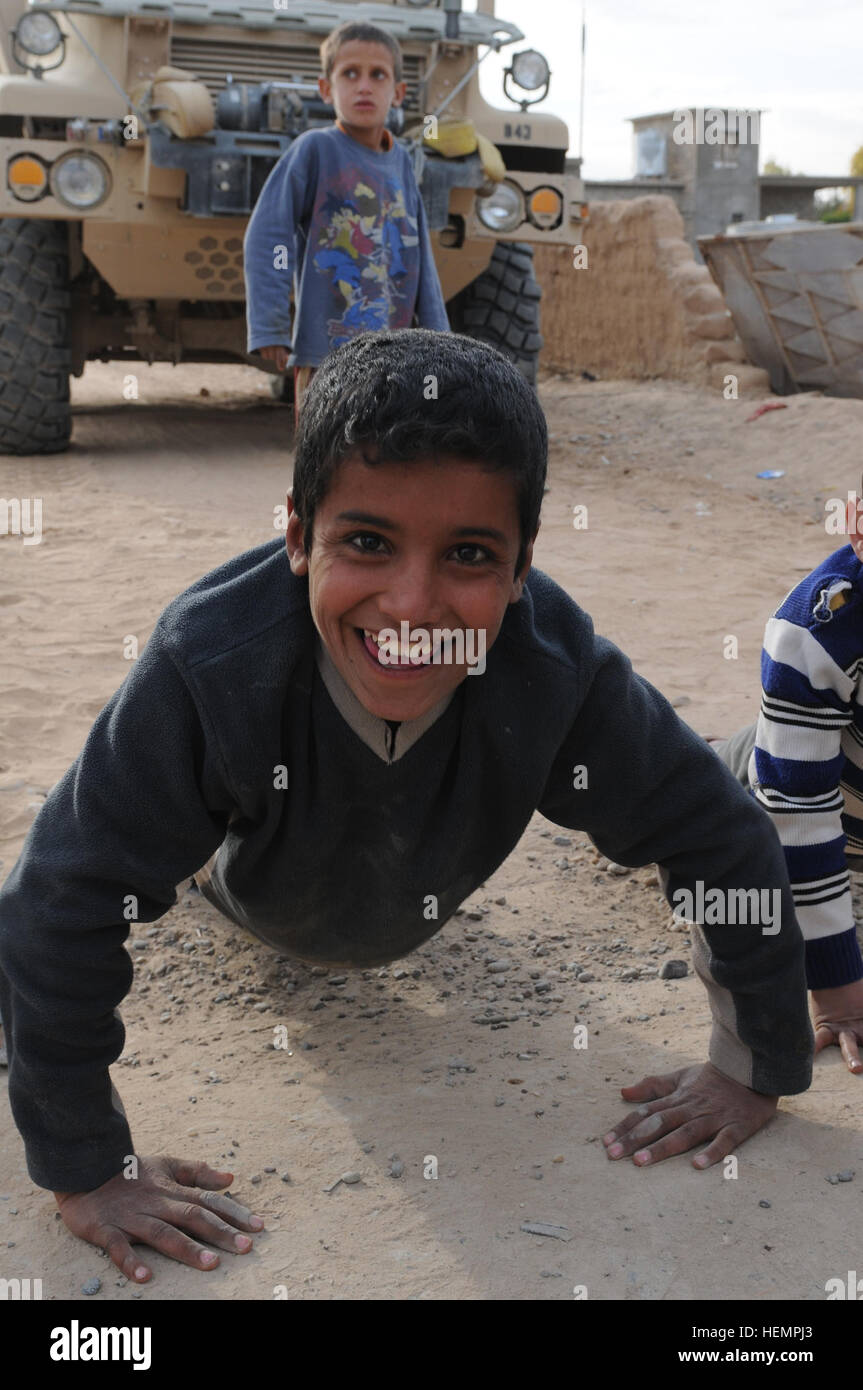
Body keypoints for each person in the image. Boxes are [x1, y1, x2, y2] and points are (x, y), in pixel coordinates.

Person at [0, 330, 813, 1286]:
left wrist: (750, 1065)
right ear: (299, 536)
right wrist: (88, 1167)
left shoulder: (552, 670)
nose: (412, 606)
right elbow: (58, 903)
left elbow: (719, 833)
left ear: (519, 570)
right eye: (367, 543)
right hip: (250, 881)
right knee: (165, 861)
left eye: (469, 554)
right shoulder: (208, 666)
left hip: (419, 883)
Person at [243, 20, 449, 418]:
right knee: (322, 469)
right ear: (326, 89)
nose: (364, 86)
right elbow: (271, 235)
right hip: (327, 358)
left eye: (378, 75)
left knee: (385, 465)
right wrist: (269, 323)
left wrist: (440, 343)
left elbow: (420, 257)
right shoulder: (314, 151)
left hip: (396, 360)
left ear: (398, 93)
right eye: (349, 74)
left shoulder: (402, 163)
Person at [714, 537, 863, 1076]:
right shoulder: (821, 628)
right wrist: (837, 991)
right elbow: (796, 811)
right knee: (690, 800)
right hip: (784, 782)